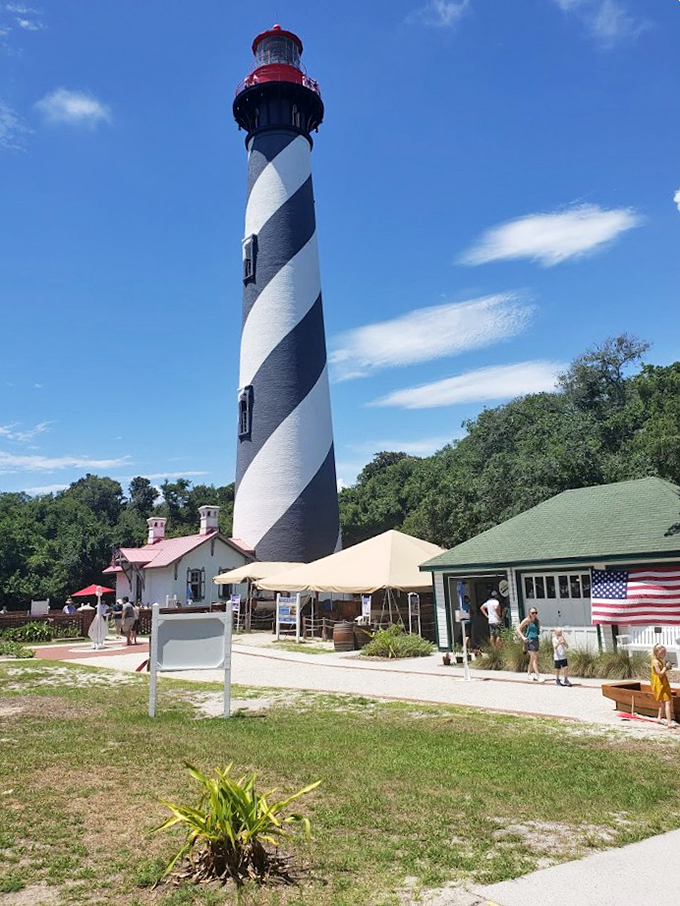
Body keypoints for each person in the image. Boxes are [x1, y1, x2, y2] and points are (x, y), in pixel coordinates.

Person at [651, 644, 675, 728]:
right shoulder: (655, 662)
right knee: (667, 701)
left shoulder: (660, 661)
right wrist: (665, 667)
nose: (665, 653)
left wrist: (666, 667)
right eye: (663, 652)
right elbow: (660, 674)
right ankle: (669, 722)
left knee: (662, 702)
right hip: (659, 684)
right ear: (657, 652)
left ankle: (659, 718)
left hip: (663, 683)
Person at [519, 606, 541, 681]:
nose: (534, 614)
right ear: (529, 613)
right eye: (532, 613)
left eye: (535, 613)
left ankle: (529, 674)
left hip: (536, 639)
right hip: (529, 640)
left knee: (532, 659)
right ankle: (538, 676)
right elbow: (518, 629)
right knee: (534, 658)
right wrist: (523, 637)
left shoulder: (536, 621)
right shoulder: (527, 620)